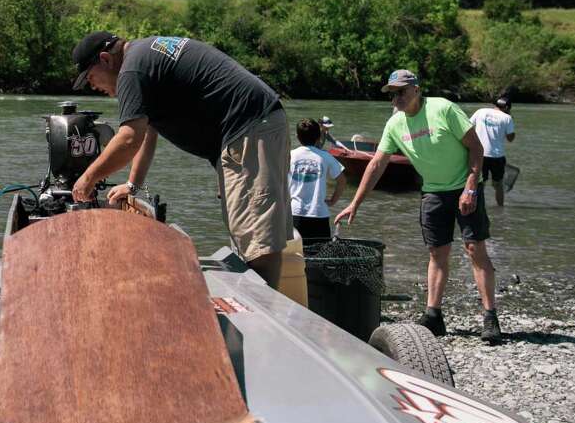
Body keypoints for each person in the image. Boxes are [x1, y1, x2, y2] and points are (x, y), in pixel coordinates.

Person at [70, 32, 291, 289]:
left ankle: (262, 319)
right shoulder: (143, 56)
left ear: (105, 59)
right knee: (250, 231)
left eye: (90, 78)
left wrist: (87, 178)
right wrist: (133, 185)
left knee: (257, 240)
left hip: (249, 128)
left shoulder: (132, 70)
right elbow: (146, 132)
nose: (93, 86)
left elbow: (129, 137)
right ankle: (262, 305)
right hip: (255, 125)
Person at [335, 69, 501, 344]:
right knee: (437, 252)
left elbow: (476, 147)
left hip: (465, 186)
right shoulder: (395, 124)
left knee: (474, 249)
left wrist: (471, 186)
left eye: (401, 91)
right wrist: (355, 203)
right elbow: (377, 164)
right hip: (433, 192)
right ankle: (434, 315)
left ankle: (490, 315)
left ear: (416, 90)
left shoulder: (444, 109)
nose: (396, 98)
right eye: (392, 93)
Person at [289, 118, 346, 242]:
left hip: (294, 213)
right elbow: (342, 181)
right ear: (318, 137)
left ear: (297, 137)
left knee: (294, 255)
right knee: (320, 254)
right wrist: (332, 201)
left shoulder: (290, 155)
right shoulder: (325, 156)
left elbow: (276, 180)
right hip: (319, 213)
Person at [470, 96, 516, 207]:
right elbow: (510, 138)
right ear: (507, 107)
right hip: (497, 157)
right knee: (498, 184)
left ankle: (477, 207)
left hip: (479, 154)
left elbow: (468, 126)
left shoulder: (481, 111)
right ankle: (500, 209)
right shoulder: (507, 118)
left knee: (480, 183)